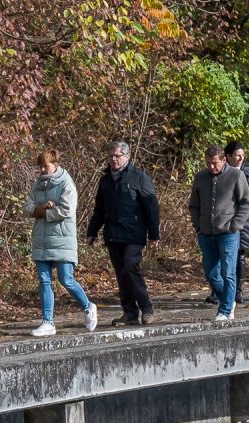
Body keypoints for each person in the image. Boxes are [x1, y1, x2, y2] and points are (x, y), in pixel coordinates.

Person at [84, 139, 159, 326]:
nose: (114, 159)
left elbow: (151, 207)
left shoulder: (138, 177)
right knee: (120, 273)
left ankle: (147, 308)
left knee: (131, 267)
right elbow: (99, 209)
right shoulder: (105, 180)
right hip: (113, 233)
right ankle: (129, 312)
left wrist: (154, 234)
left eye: (117, 156)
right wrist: (92, 231)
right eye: (111, 156)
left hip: (134, 233)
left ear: (127, 157)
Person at [26, 148, 96, 336]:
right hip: (41, 240)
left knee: (67, 280)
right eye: (39, 167)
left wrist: (44, 213)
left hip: (63, 240)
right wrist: (40, 208)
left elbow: (66, 210)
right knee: (44, 280)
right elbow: (27, 207)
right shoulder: (38, 185)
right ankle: (47, 322)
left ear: (55, 165)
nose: (42, 170)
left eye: (45, 166)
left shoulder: (67, 184)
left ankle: (88, 306)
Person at [188, 143, 249, 322]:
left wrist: (236, 224)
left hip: (228, 232)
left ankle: (225, 310)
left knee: (228, 272)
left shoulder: (236, 175)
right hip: (206, 232)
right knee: (211, 273)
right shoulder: (201, 177)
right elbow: (193, 204)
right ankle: (228, 299)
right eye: (208, 163)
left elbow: (246, 202)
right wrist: (197, 225)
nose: (211, 167)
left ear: (224, 160)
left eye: (215, 163)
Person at [227, 142, 249, 306]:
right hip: (224, 220)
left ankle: (237, 290)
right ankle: (219, 290)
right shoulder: (221, 172)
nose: (241, 158)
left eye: (242, 154)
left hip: (244, 220)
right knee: (223, 257)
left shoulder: (247, 173)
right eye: (237, 155)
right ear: (228, 157)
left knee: (240, 256)